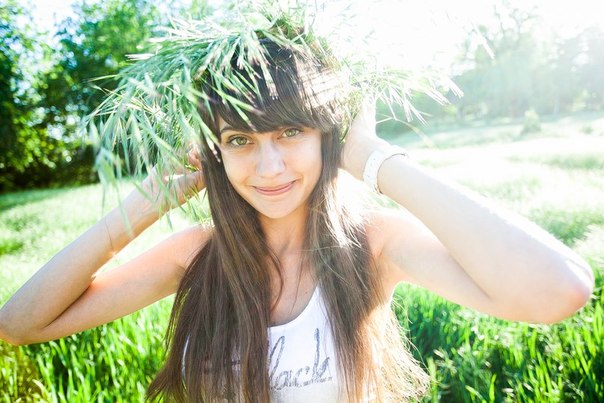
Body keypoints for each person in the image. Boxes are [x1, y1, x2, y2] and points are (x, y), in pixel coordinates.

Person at [0, 28, 594, 403]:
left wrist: (372, 159)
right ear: (214, 153)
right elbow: (20, 323)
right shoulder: (197, 257)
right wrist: (152, 198)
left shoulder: (373, 245)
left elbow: (558, 291)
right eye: (240, 140)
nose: (269, 167)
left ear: (325, 134)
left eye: (290, 131)